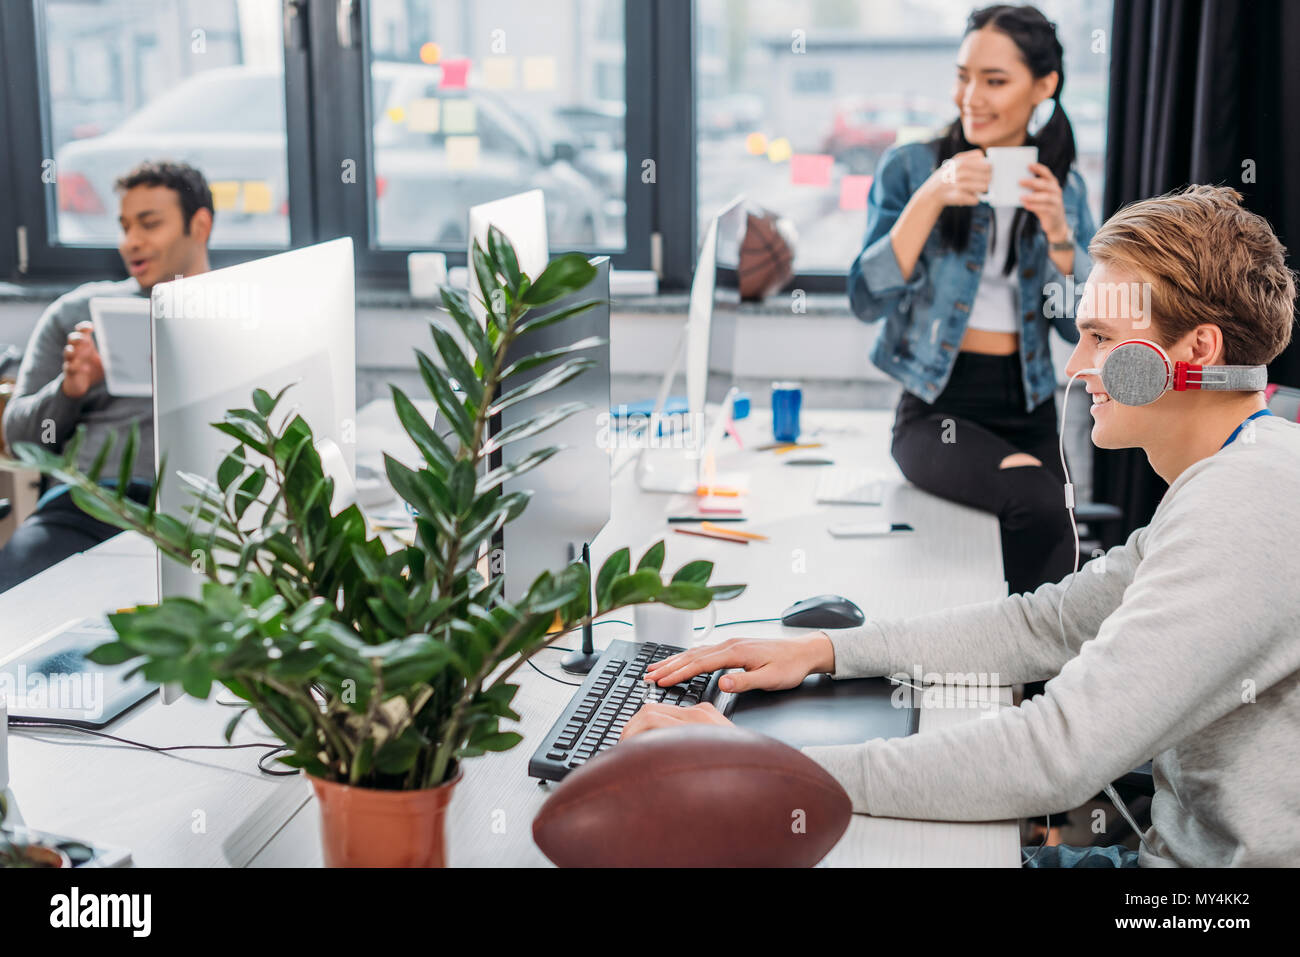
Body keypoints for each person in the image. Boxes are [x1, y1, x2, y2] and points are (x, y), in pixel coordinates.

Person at [623, 185, 1300, 868]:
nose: (1074, 364)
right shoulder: (1241, 476)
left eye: (1100, 338)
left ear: (1198, 351)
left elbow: (1055, 755)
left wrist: (766, 763)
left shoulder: (1246, 504)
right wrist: (828, 648)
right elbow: (1049, 625)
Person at [848, 4, 1095, 598]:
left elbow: (1078, 329)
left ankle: (1033, 686)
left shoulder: (1065, 183)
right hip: (937, 409)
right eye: (963, 76)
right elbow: (865, 297)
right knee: (1040, 504)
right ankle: (1030, 680)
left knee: (1042, 541)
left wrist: (1062, 237)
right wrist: (931, 197)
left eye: (995, 80)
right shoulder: (911, 167)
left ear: (1044, 86)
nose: (971, 97)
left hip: (1029, 406)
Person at [0, 161, 213, 592]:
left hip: (205, 512)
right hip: (88, 505)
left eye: (149, 224)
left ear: (200, 225)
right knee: (17, 595)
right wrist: (71, 389)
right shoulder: (76, 312)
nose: (131, 242)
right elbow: (22, 441)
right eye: (124, 226)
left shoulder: (244, 310)